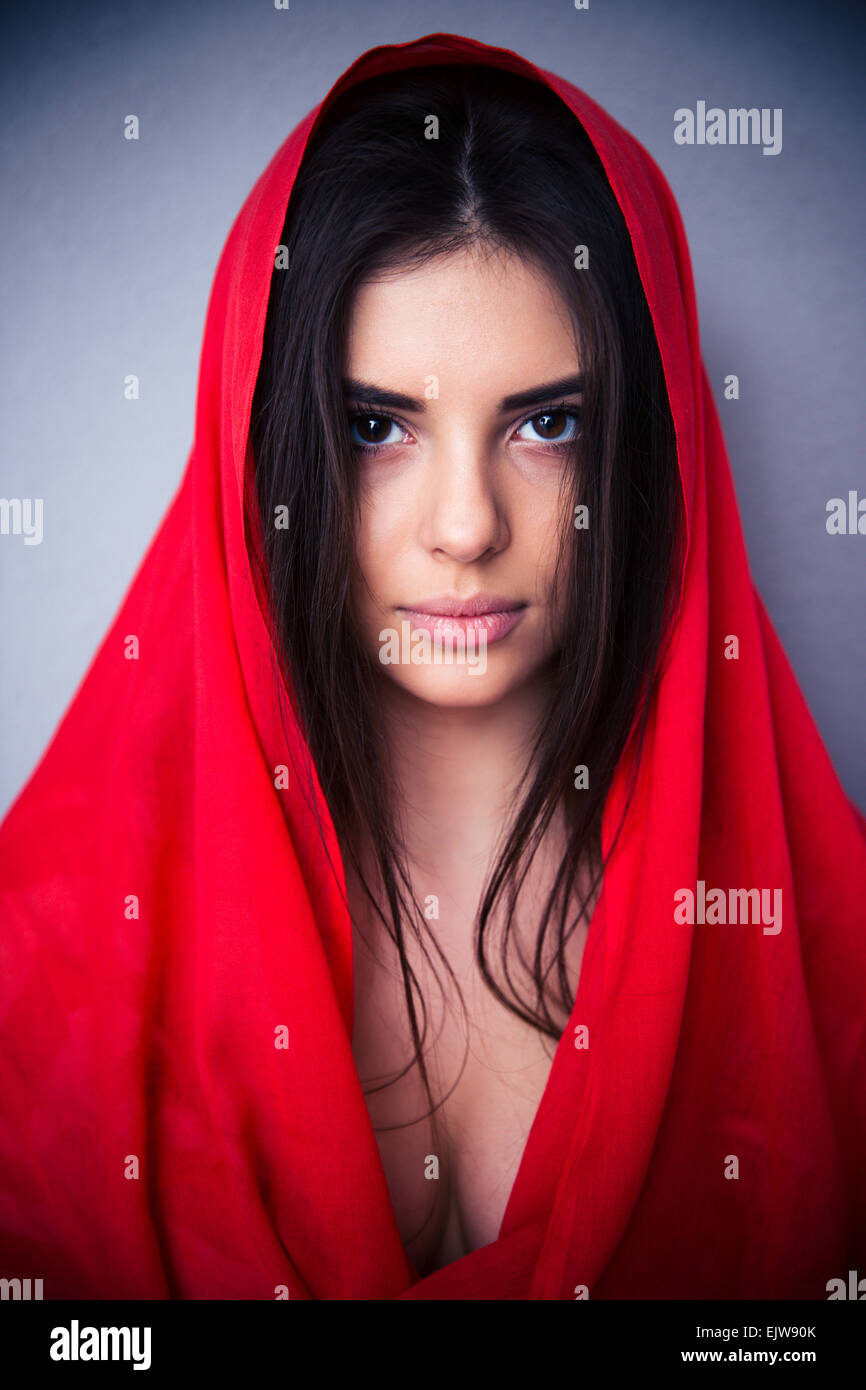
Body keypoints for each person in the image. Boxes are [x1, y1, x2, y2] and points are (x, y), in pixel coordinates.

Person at [0, 31, 863, 1301]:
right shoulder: (45, 959)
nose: (465, 526)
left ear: (647, 449)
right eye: (375, 428)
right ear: (265, 449)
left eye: (546, 423)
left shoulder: (830, 963)